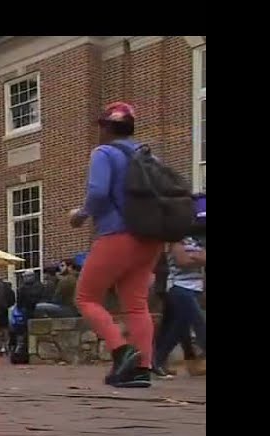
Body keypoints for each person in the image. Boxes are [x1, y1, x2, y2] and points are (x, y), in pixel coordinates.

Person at [68, 102, 166, 389]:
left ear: (106, 127)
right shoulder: (151, 158)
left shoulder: (104, 153)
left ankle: (122, 352)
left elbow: (98, 193)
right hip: (151, 237)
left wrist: (81, 215)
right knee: (136, 304)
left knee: (86, 297)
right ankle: (141, 370)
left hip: (116, 234)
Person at [153, 196, 206, 376]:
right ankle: (157, 361)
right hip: (179, 288)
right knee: (199, 323)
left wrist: (195, 257)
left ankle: (157, 360)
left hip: (195, 289)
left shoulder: (196, 240)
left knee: (176, 329)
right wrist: (198, 257)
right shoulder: (175, 240)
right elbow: (182, 261)